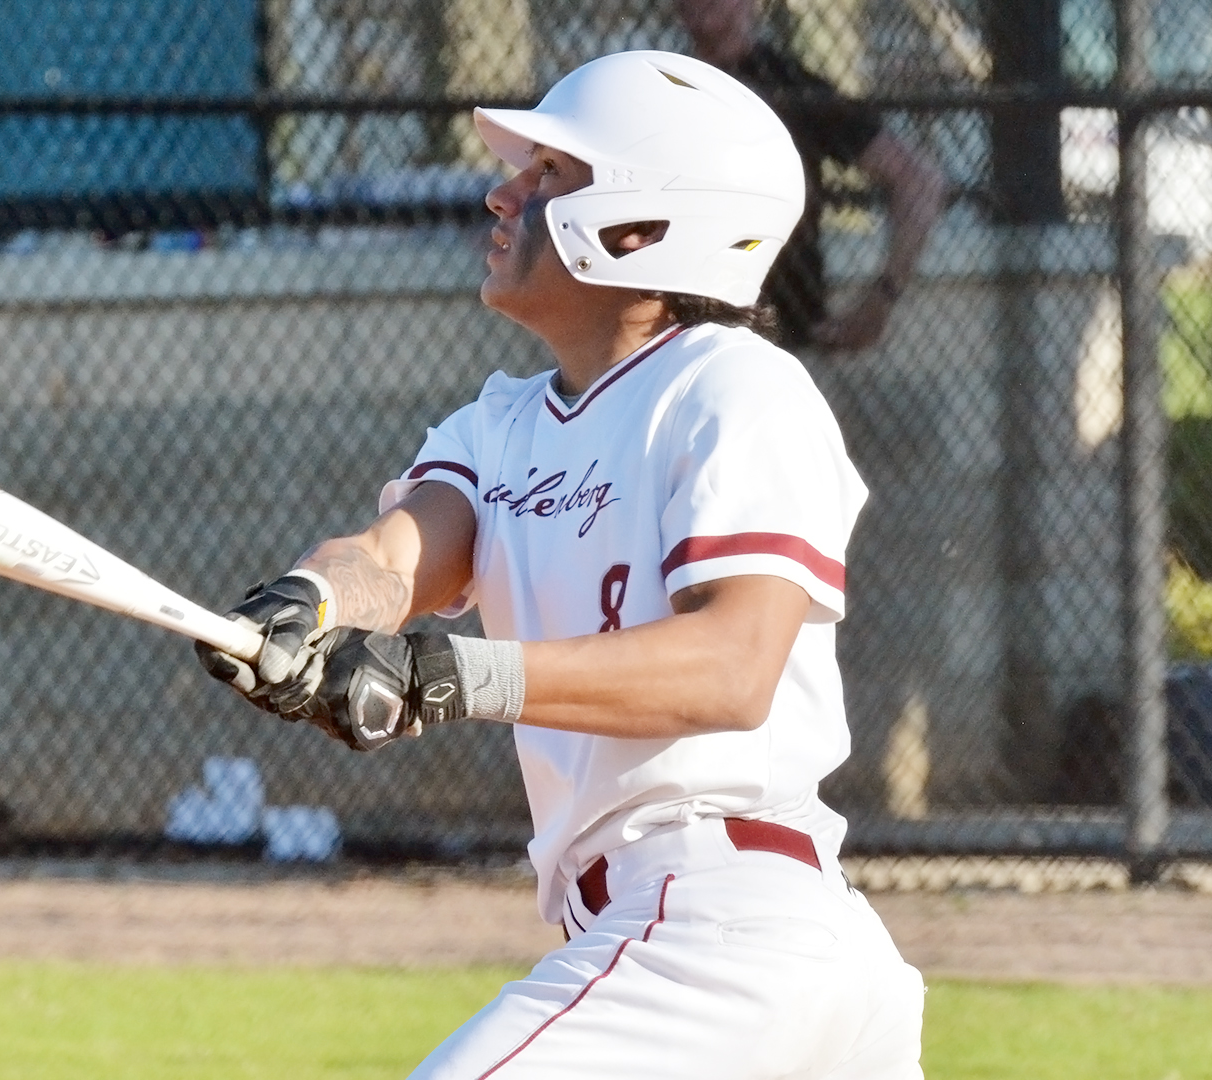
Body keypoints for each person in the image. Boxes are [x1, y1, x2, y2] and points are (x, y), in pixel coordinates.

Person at [197, 50, 924, 1079]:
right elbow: (400, 562)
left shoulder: (735, 389)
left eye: (547, 175)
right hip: (705, 941)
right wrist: (308, 604)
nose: (501, 193)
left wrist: (453, 679)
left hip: (717, 928)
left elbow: (733, 667)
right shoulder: (498, 423)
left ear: (642, 226)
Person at [675, 0, 944, 351]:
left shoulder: (791, 85)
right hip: (679, 331)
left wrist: (879, 302)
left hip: (779, 338)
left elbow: (919, 181)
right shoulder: (666, 86)